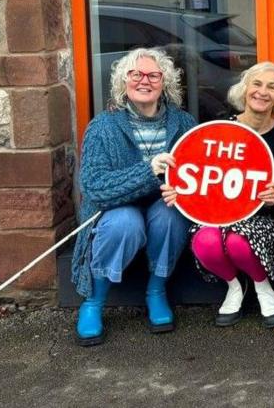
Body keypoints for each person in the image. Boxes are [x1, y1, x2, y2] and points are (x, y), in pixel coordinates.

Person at [71, 47, 197, 346]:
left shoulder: (183, 123)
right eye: (135, 74)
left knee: (171, 214)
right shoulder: (103, 126)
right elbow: (95, 186)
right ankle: (93, 301)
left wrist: (184, 191)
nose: (145, 81)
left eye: (154, 75)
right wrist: (148, 171)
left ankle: (156, 291)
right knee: (125, 222)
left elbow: (198, 174)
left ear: (164, 82)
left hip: (159, 210)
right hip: (114, 212)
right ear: (122, 82)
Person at [160, 62, 274, 328]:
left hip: (264, 220)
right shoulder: (220, 127)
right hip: (216, 215)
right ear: (244, 89)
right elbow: (195, 173)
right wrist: (174, 186)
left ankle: (262, 285)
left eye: (272, 87)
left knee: (237, 241)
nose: (262, 92)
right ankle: (235, 286)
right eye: (256, 84)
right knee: (205, 241)